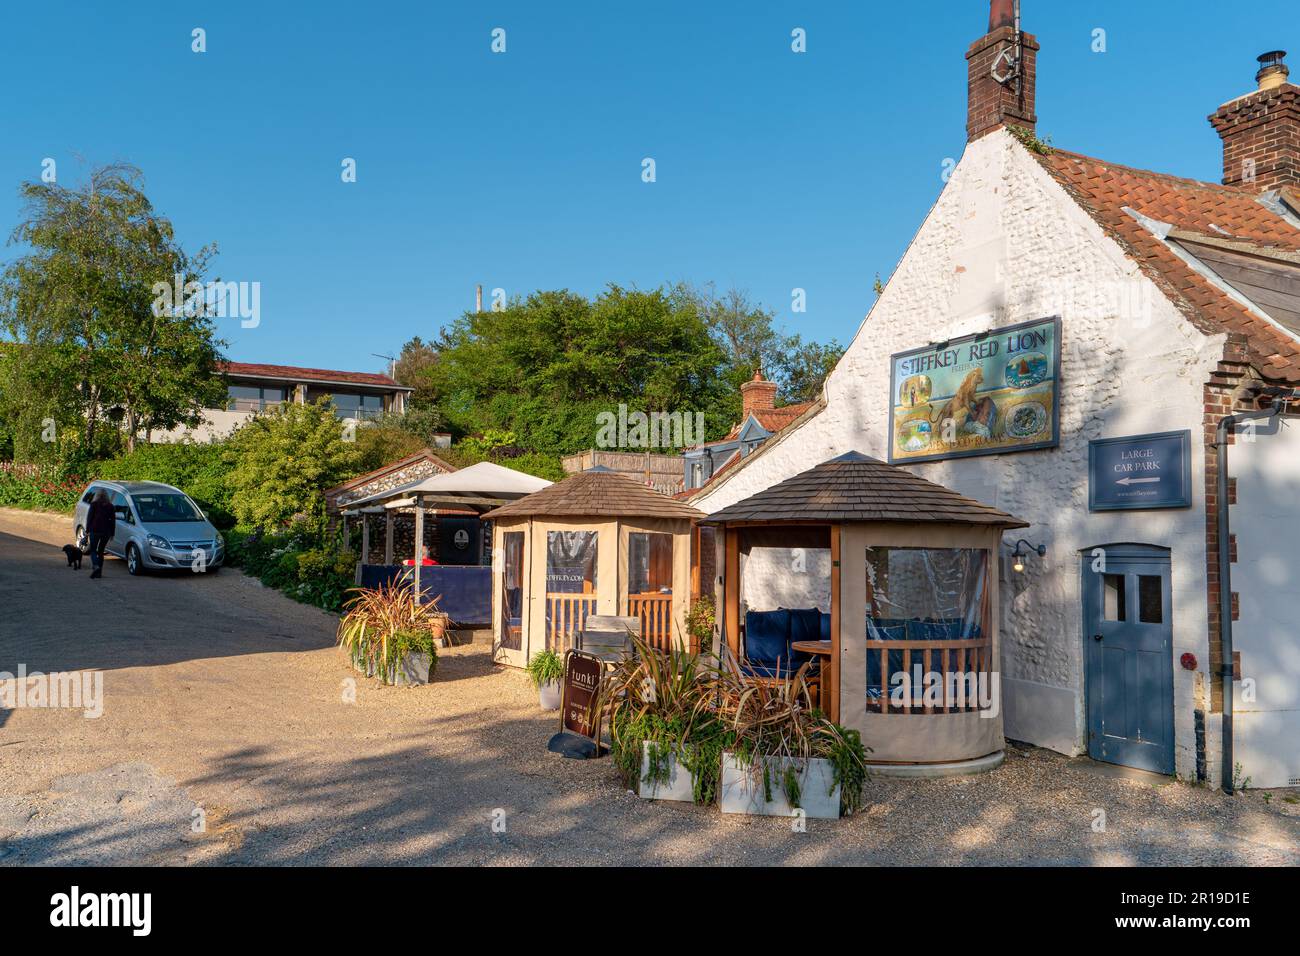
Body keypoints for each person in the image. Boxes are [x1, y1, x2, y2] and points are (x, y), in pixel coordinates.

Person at [86, 489, 116, 579]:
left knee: (93, 550)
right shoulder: (111, 506)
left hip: (94, 530)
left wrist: (87, 530)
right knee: (101, 551)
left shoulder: (94, 504)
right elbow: (113, 521)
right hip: (106, 531)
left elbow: (89, 518)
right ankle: (99, 573)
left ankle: (96, 566)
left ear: (97, 495)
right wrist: (112, 533)